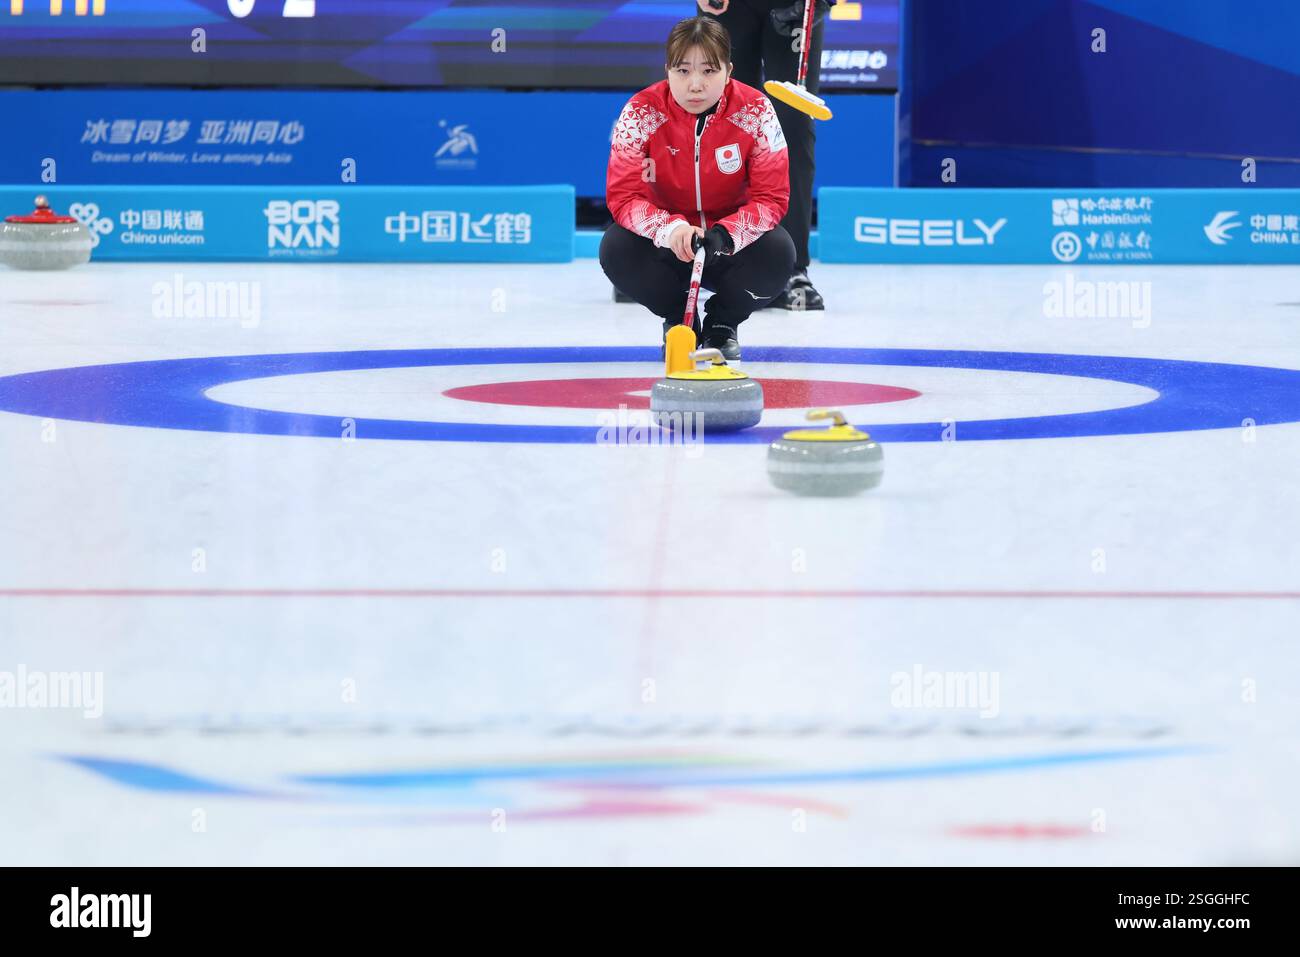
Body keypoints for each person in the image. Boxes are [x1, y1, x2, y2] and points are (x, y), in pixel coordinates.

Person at [600, 16, 795, 360]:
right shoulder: (640, 112)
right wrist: (669, 228)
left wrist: (727, 234)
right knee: (616, 247)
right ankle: (680, 321)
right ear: (667, 70)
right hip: (669, 249)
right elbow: (623, 198)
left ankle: (722, 324)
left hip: (728, 249)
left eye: (708, 71)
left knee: (779, 252)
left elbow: (772, 199)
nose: (695, 85)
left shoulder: (756, 111)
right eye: (682, 71)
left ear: (729, 70)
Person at [698, 0, 832, 310]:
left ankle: (792, 268)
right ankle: (713, 254)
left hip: (796, 4)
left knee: (794, 125)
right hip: (729, 6)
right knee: (722, 118)